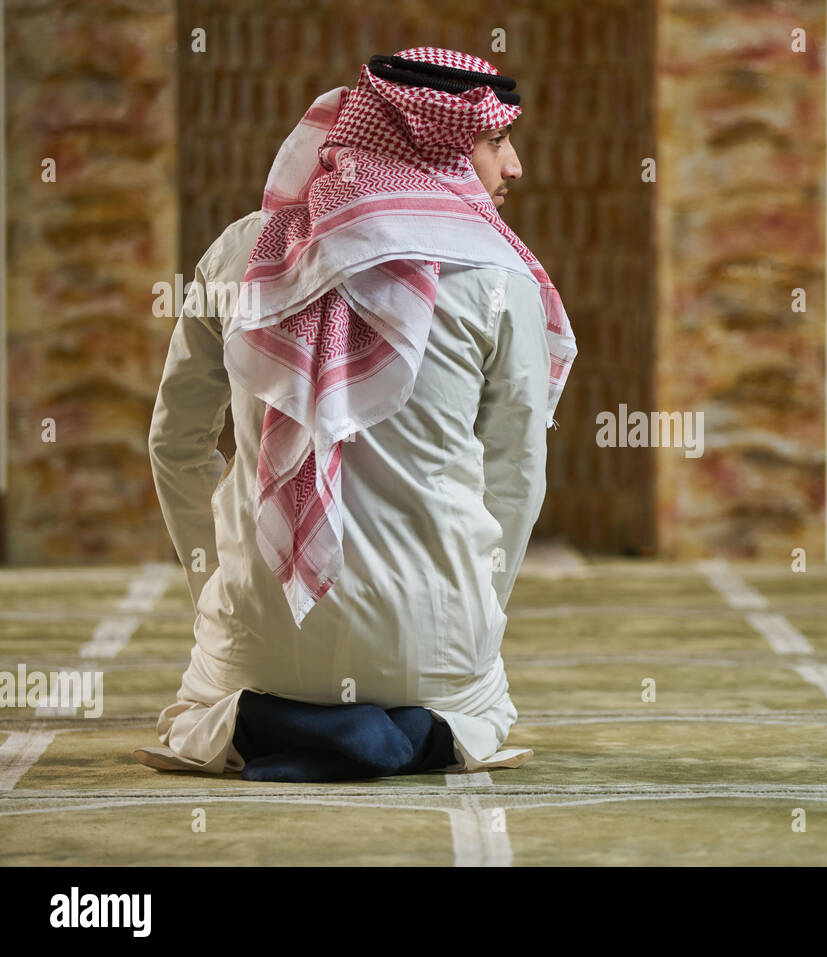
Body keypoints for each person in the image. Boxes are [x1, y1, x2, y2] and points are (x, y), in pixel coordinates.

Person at [135, 47, 576, 782]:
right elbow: (517, 471)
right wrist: (475, 607)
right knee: (479, 705)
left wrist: (216, 585)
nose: (515, 165)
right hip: (434, 651)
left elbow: (174, 445)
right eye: (496, 140)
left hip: (259, 648)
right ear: (432, 142)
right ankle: (417, 730)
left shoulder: (241, 252)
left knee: (206, 704)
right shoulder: (501, 278)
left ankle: (272, 721)